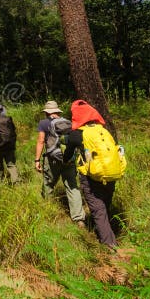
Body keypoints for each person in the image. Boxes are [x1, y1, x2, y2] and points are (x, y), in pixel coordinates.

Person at [63, 100, 117, 248]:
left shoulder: (76, 134)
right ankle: (109, 233)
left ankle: (109, 244)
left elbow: (67, 154)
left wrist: (66, 161)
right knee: (105, 205)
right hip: (110, 174)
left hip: (90, 176)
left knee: (98, 209)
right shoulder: (103, 131)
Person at [34, 100, 86, 228]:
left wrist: (37, 160)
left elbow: (41, 141)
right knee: (72, 186)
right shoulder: (68, 122)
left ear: (46, 112)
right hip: (69, 159)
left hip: (53, 159)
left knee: (48, 184)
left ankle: (48, 212)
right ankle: (79, 219)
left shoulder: (44, 123)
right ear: (58, 112)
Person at [0, 102, 20, 184]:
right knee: (11, 165)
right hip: (9, 145)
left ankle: (0, 183)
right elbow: (13, 131)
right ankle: (16, 182)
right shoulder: (9, 118)